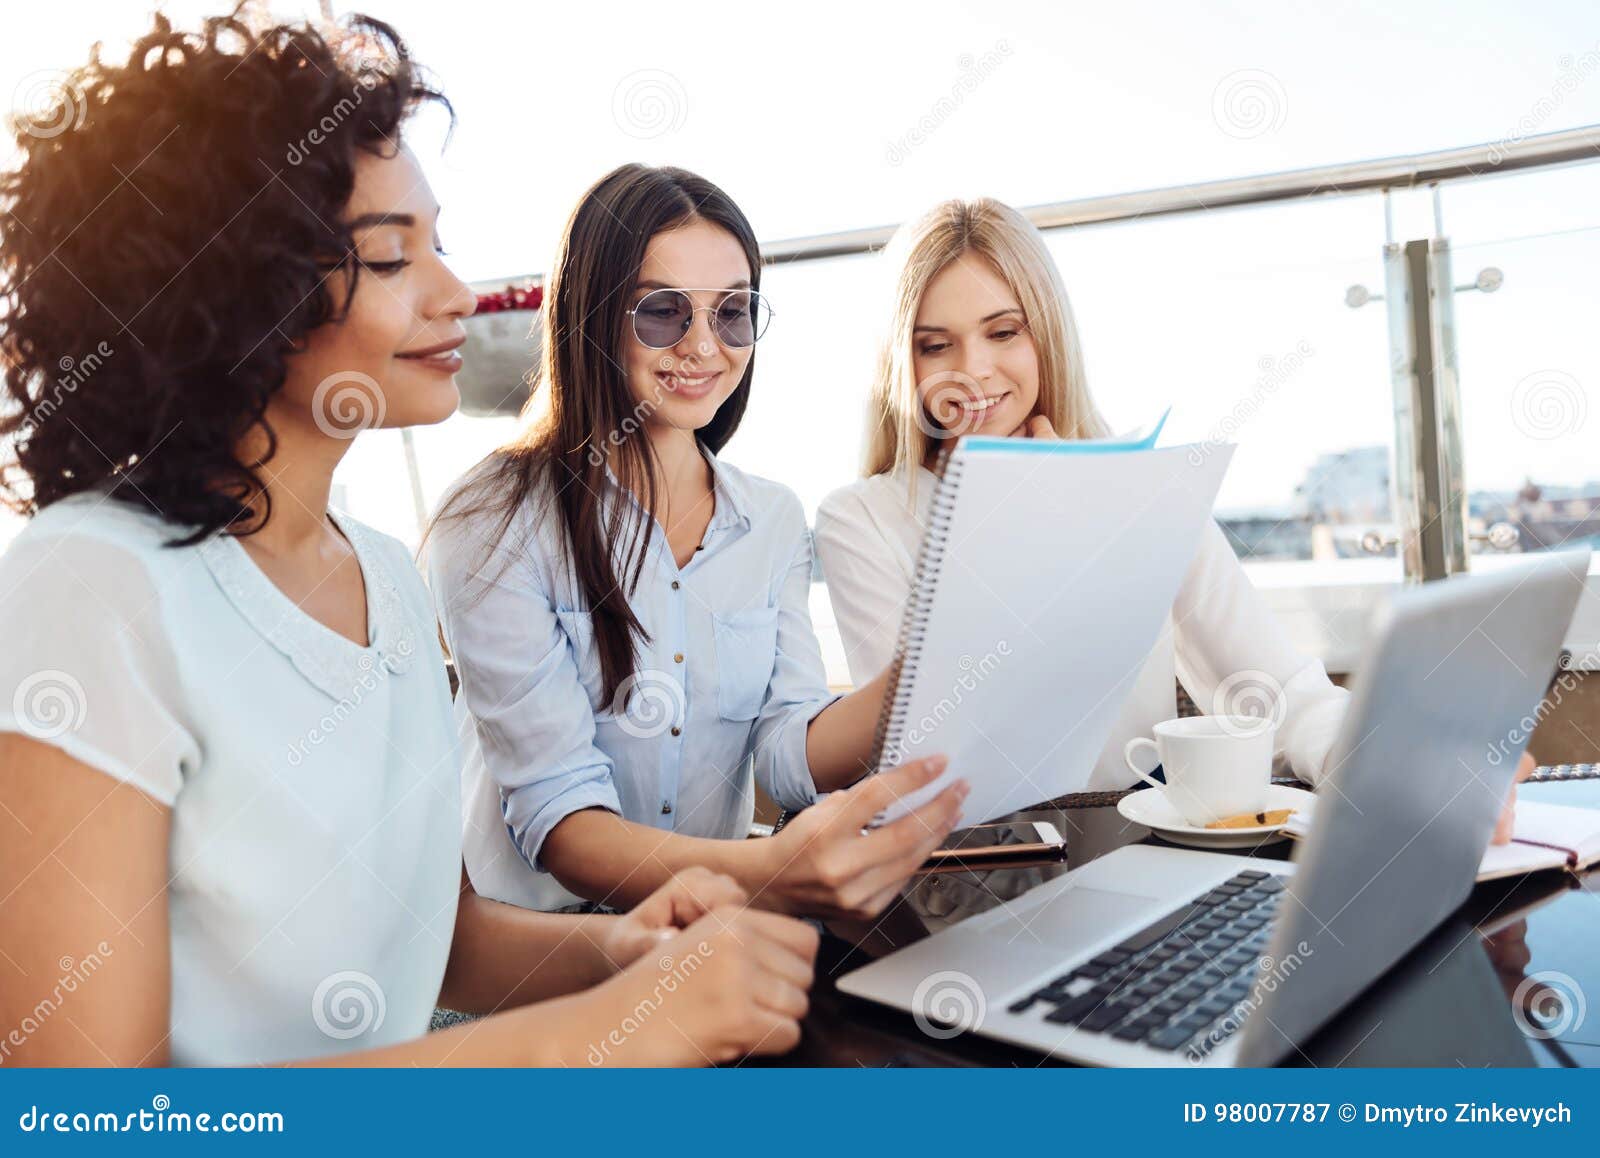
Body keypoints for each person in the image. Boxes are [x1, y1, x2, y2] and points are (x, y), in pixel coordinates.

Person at [0, 10, 815, 1067]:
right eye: (391, 258)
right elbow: (84, 1122)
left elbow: (440, 944)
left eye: (438, 244)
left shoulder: (386, 574)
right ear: (237, 296)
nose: (455, 294)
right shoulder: (90, 588)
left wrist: (624, 954)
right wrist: (610, 1034)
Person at [813, 196, 1535, 833]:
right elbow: (919, 759)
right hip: (963, 872)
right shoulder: (860, 520)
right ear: (900, 363)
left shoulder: (1145, 492)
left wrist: (1404, 767)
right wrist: (1020, 519)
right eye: (934, 345)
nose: (973, 369)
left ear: (1047, 338)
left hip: (1130, 852)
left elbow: (1281, 694)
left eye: (1004, 332)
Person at [427, 163, 968, 918]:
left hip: (702, 942)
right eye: (663, 311)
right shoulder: (491, 519)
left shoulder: (772, 520)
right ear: (591, 313)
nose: (704, 347)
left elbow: (786, 754)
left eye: (732, 313)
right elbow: (562, 826)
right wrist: (767, 871)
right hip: (533, 967)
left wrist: (939, 658)